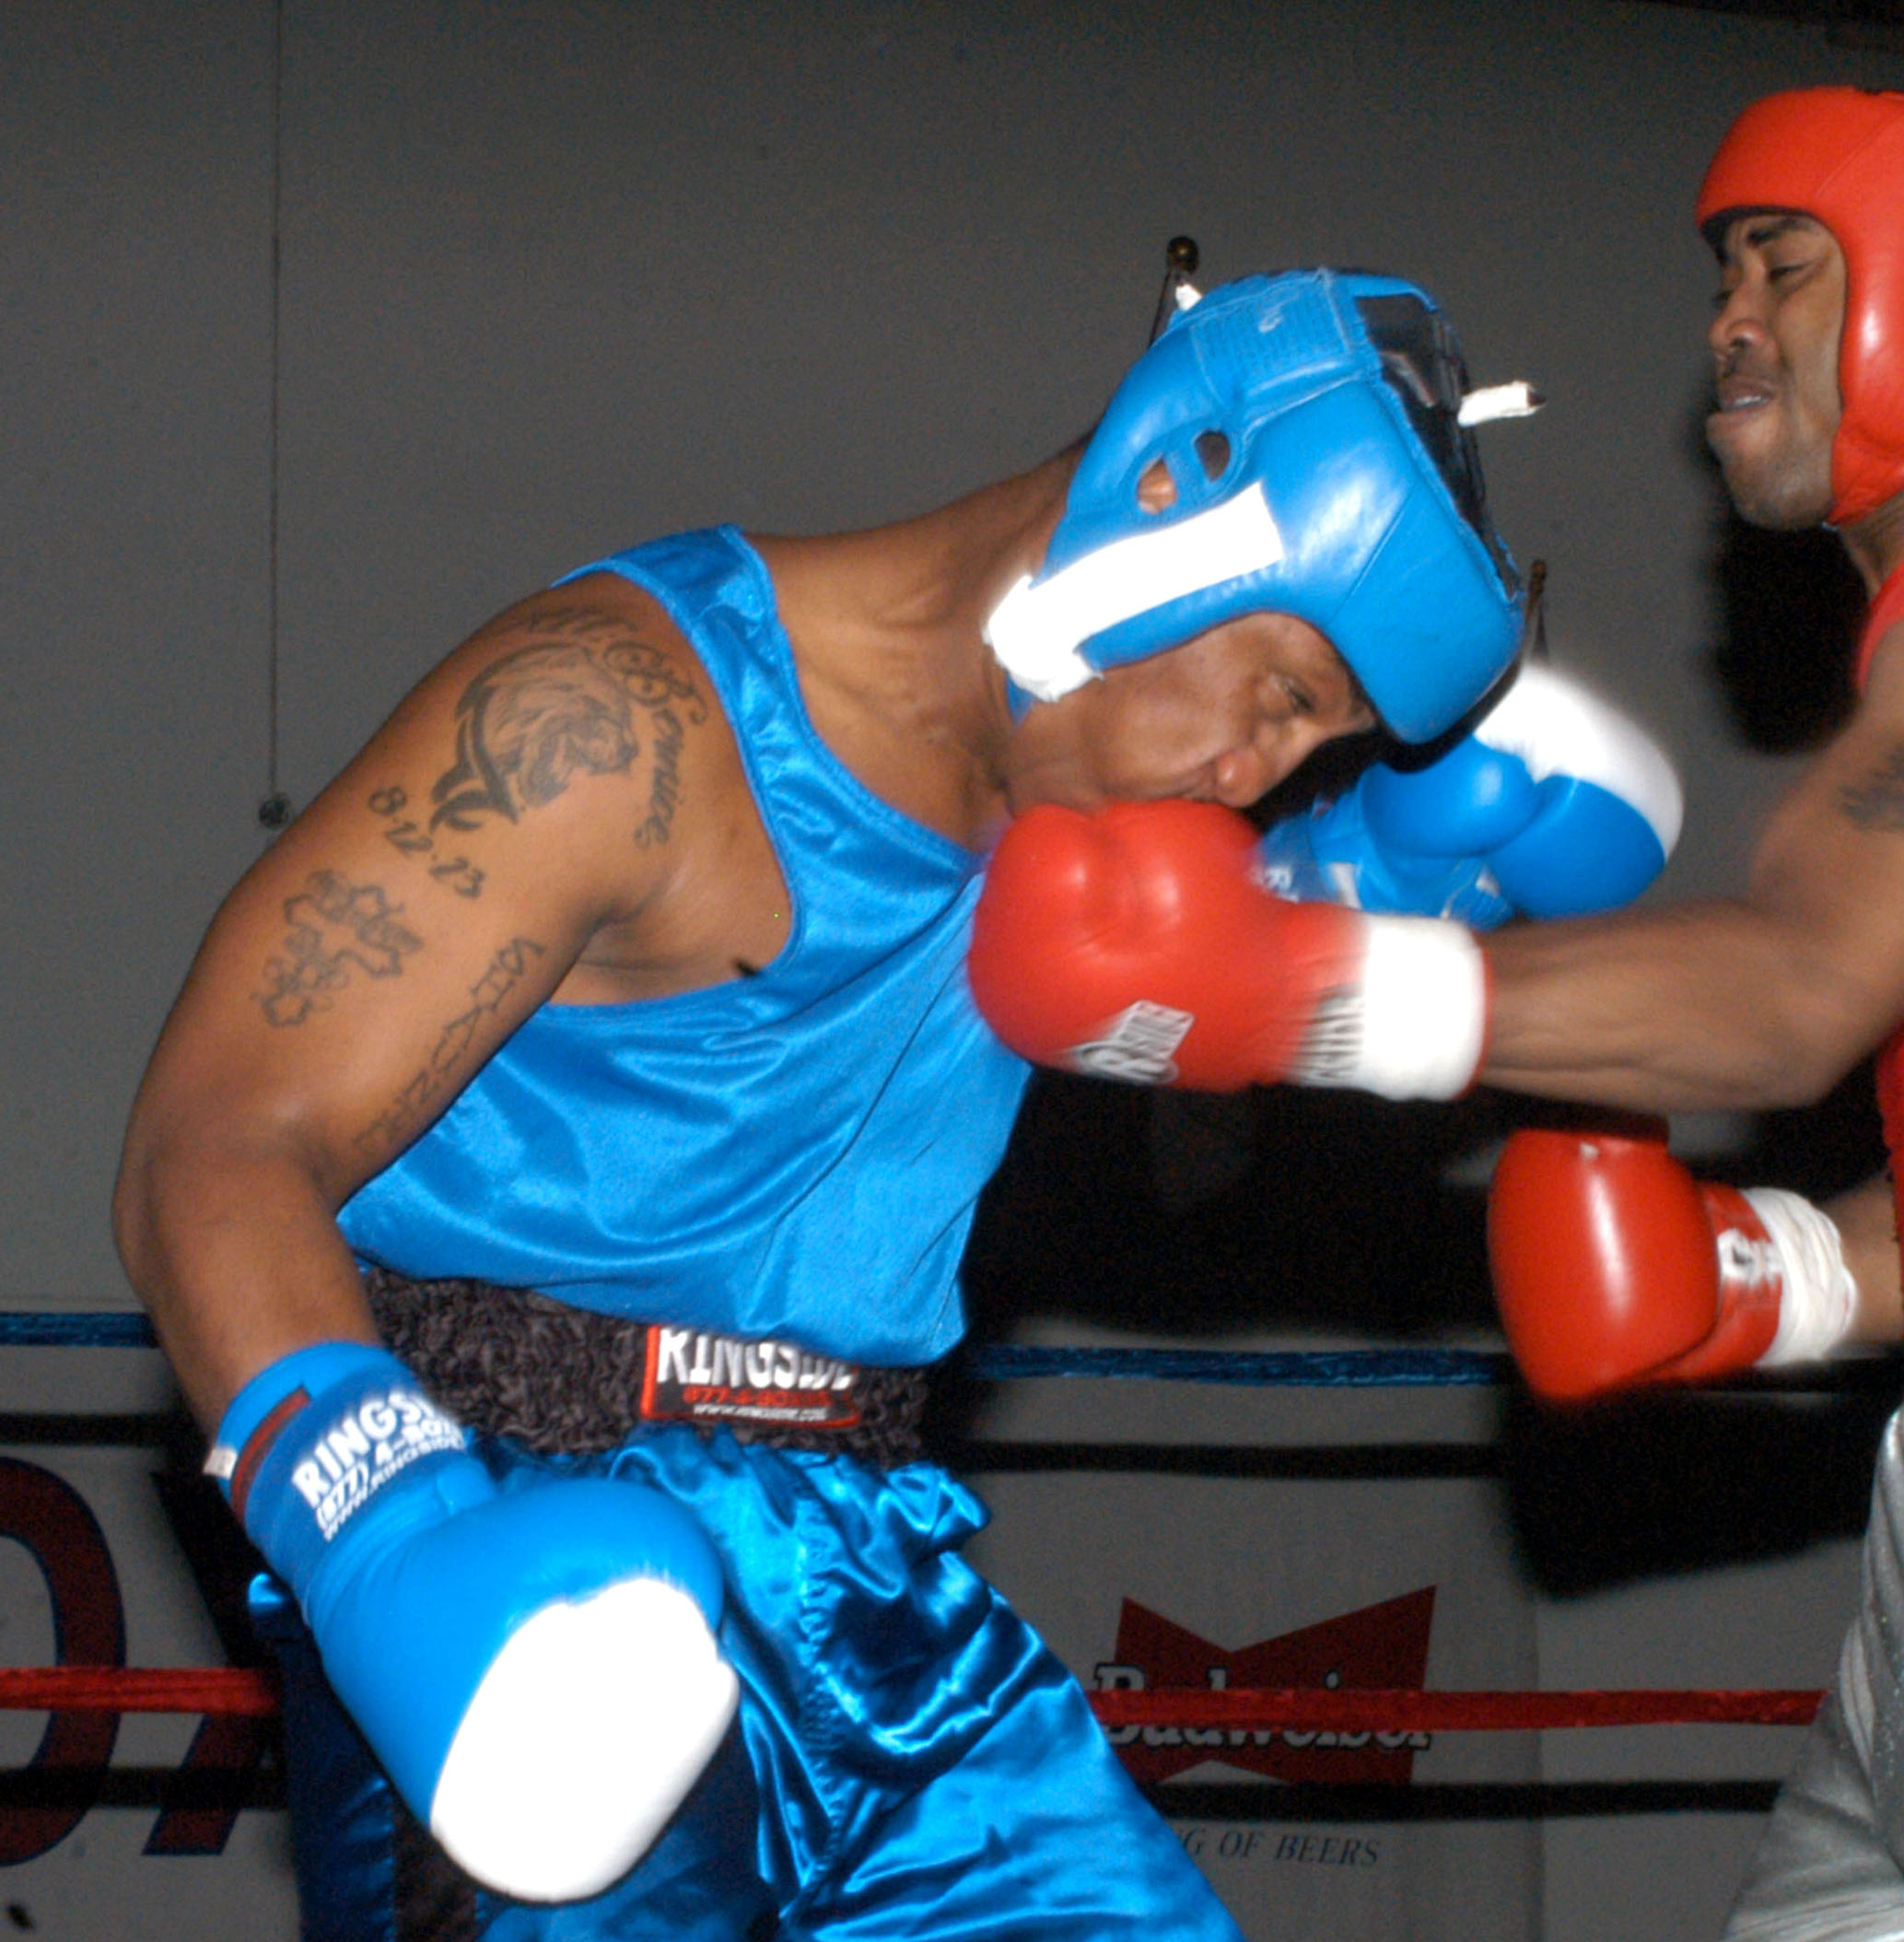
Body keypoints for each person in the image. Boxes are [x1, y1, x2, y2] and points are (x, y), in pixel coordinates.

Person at [966, 89, 1904, 1942]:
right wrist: (1783, 1271)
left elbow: (1797, 995)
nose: (1729, 320)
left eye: (1789, 266)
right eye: (1727, 271)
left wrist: (1307, 987)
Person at [112, 264, 1684, 1940]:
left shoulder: (1080, 832)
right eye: (1283, 697)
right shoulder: (621, 718)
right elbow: (211, 1141)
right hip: (539, 1531)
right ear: (1166, 496)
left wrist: (1383, 879)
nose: (1251, 777)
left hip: (871, 1577)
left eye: (1311, 747)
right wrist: (394, 1543)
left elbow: (1159, 1001)